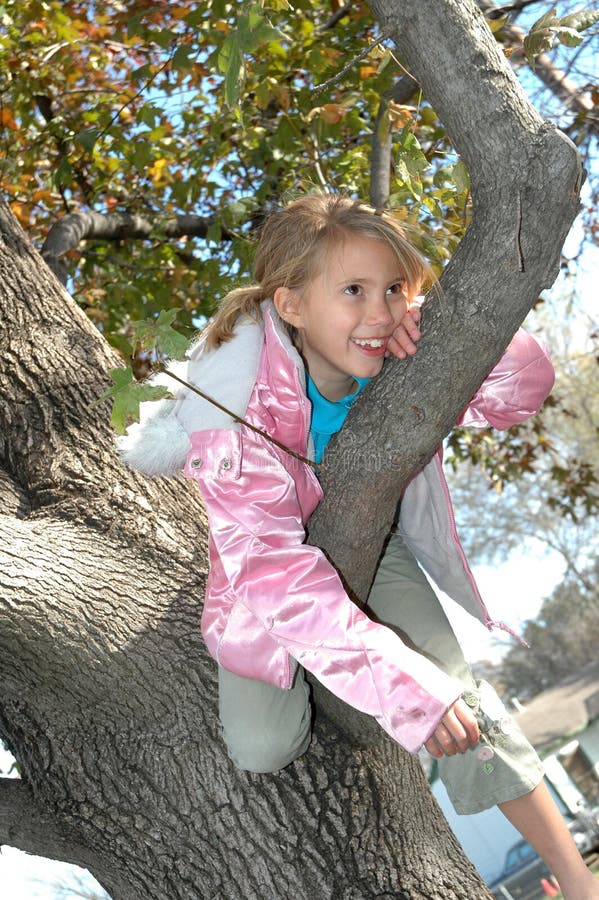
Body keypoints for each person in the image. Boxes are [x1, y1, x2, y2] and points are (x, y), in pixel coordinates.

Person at [120, 194, 598, 899]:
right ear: (290, 305)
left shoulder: (397, 357)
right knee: (263, 745)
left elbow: (518, 390)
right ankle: (348, 665)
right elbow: (270, 567)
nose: (380, 312)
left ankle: (575, 881)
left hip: (375, 547)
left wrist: (437, 335)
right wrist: (398, 687)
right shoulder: (233, 411)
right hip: (271, 569)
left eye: (394, 290)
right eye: (352, 291)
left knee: (460, 700)